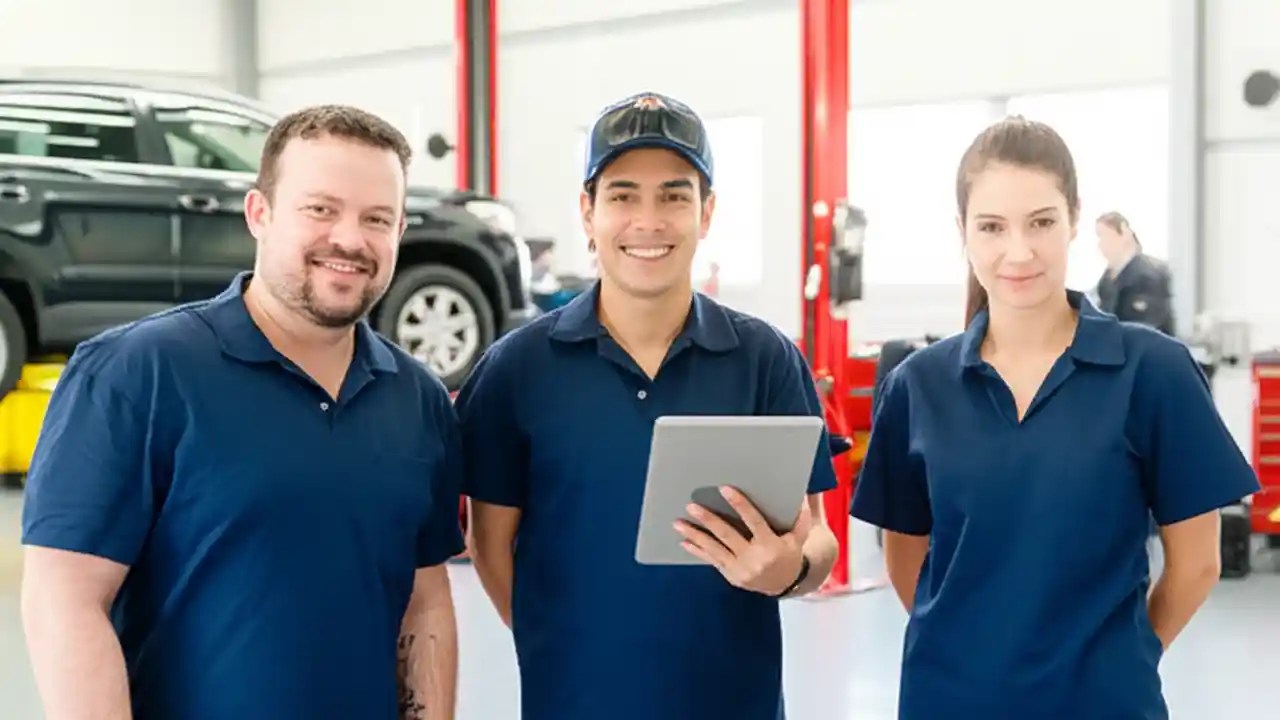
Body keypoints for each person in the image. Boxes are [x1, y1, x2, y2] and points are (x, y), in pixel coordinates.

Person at [20, 105, 464, 720]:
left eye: (377, 219)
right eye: (321, 209)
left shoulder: (416, 400)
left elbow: (424, 600)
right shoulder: (138, 371)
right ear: (260, 214)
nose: (350, 239)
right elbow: (64, 598)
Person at [850, 116, 1260, 720]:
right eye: (992, 227)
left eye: (1041, 222)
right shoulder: (918, 385)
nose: (1019, 251)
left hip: (1104, 704)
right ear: (962, 232)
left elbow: (1197, 563)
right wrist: (972, 656)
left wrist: (1122, 658)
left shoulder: (1153, 372)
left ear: (1073, 220)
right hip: (948, 701)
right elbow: (905, 555)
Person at [455, 91, 840, 720]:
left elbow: (816, 534)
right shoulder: (517, 370)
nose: (648, 220)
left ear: (706, 212)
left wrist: (789, 570)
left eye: (674, 196)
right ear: (588, 211)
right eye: (624, 195)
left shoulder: (764, 359)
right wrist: (561, 650)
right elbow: (490, 544)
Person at [1094, 210, 1175, 335]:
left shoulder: (1149, 275)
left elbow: (1148, 330)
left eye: (1104, 236)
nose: (1100, 245)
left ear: (1124, 233)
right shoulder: (1107, 280)